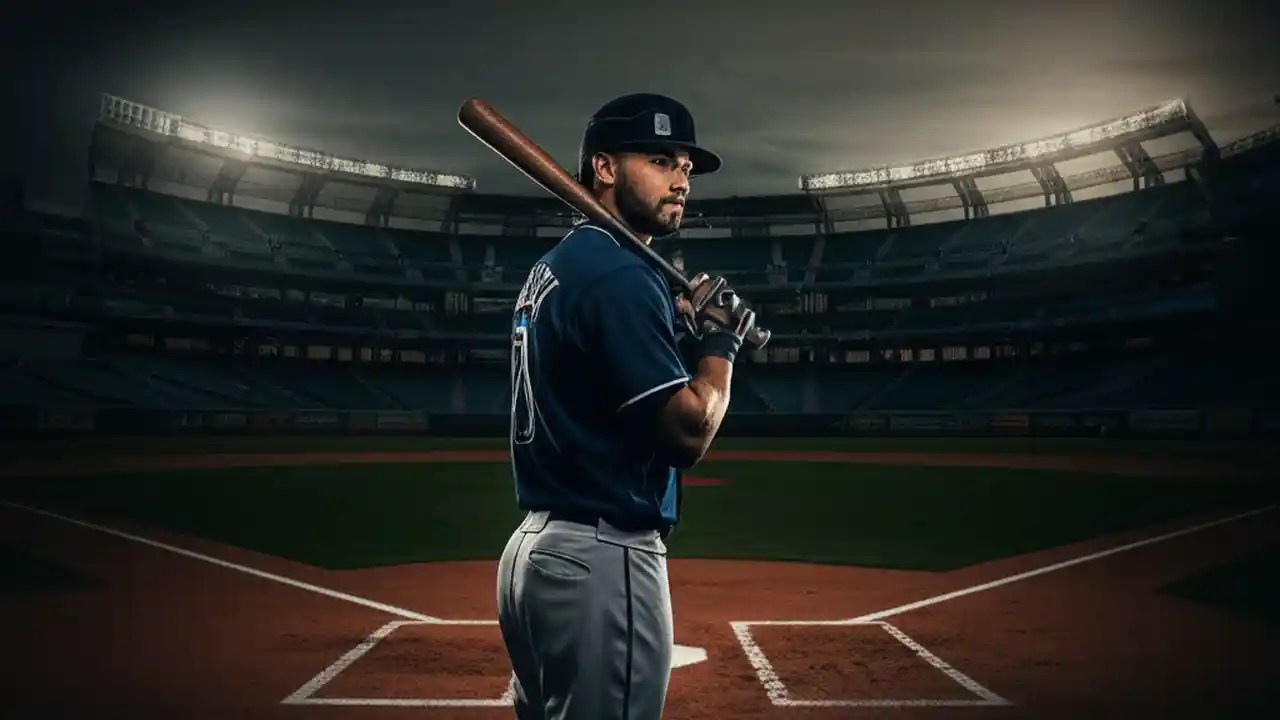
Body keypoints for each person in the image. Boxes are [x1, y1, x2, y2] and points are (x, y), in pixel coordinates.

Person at [495, 93, 763, 719]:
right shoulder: (620, 275)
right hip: (602, 557)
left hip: (538, 555)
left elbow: (601, 383)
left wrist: (679, 329)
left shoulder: (561, 265)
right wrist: (720, 342)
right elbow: (688, 433)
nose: (681, 180)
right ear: (605, 168)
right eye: (661, 160)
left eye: (686, 168)